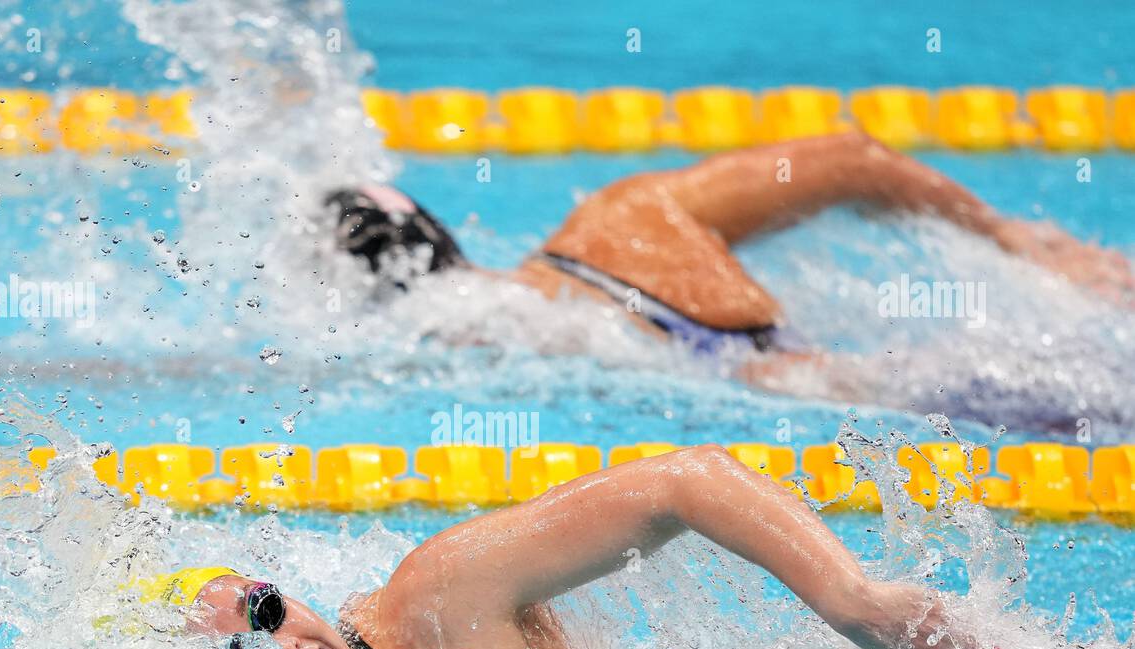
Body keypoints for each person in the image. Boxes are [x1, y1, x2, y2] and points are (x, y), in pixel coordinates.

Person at [128, 445, 1007, 649]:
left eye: (268, 607)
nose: (285, 643)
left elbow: (682, 480)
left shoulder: (435, 594)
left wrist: (854, 598)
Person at [326, 132, 1132, 357]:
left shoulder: (456, 346)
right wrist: (1019, 243)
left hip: (886, 408)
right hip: (997, 377)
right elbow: (858, 161)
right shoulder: (619, 221)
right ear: (441, 232)